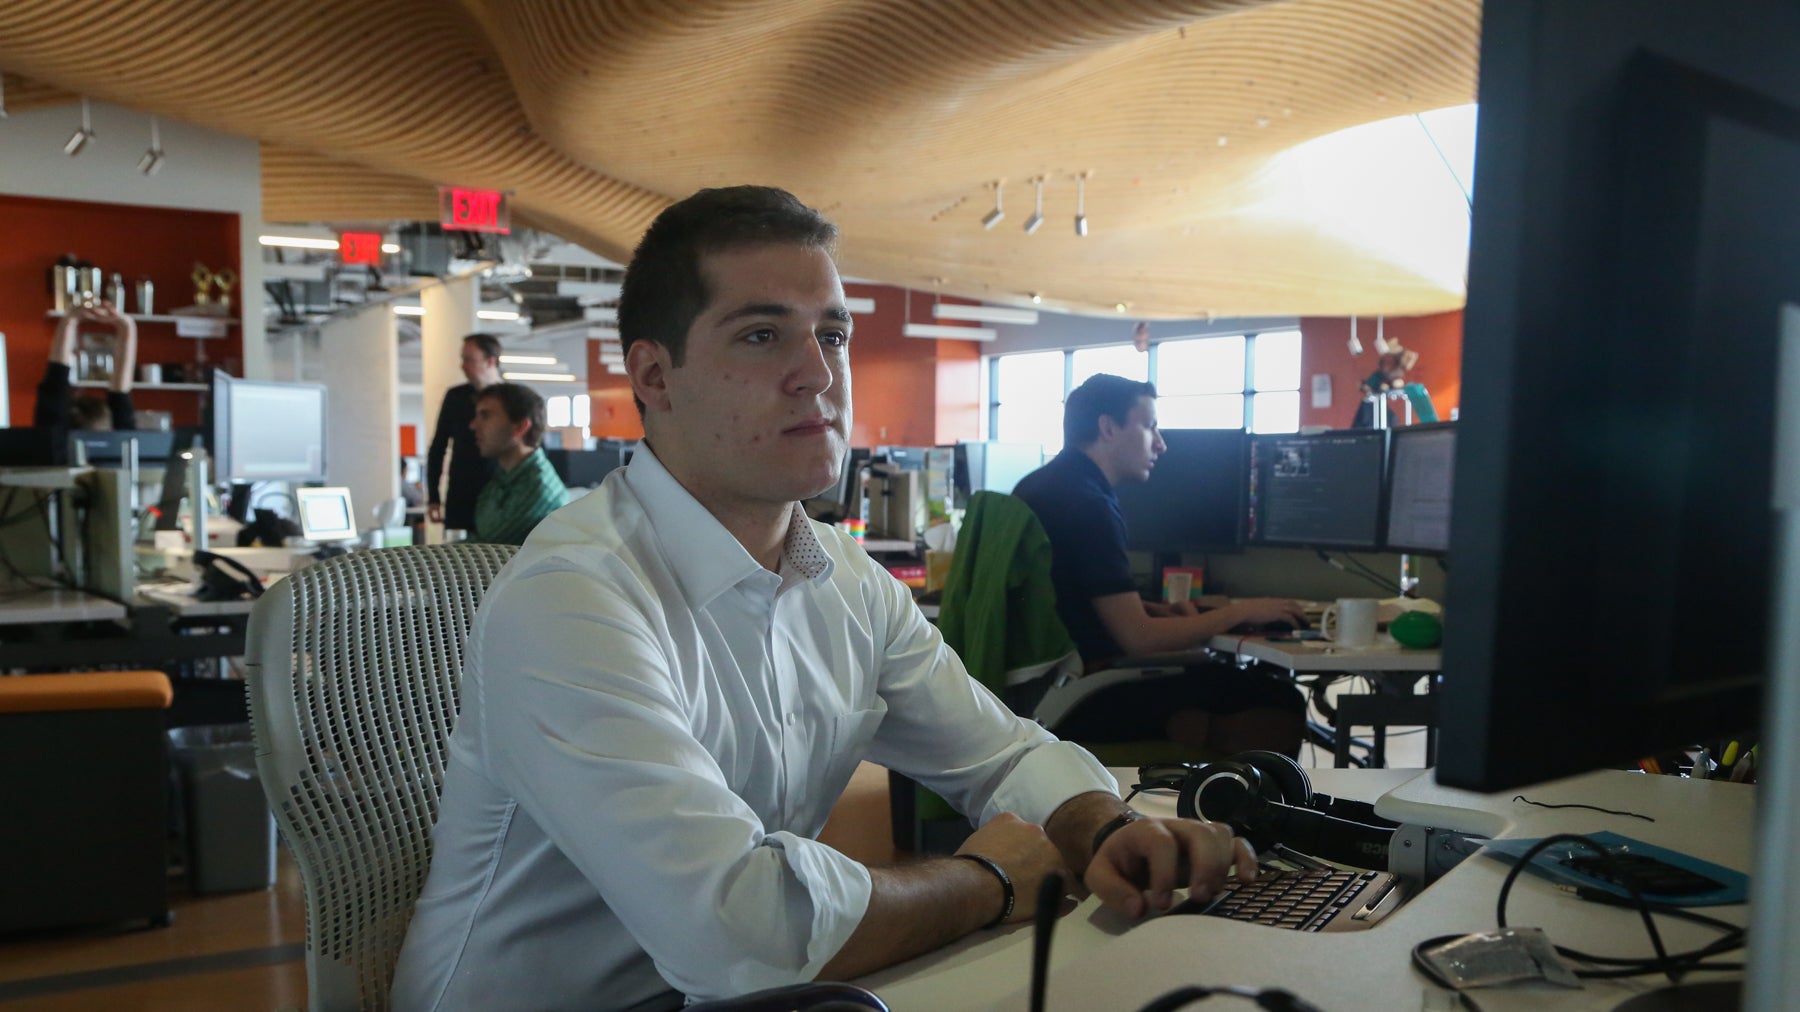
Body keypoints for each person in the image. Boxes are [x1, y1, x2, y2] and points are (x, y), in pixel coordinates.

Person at [391, 187, 1255, 1011]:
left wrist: (1104, 828)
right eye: (762, 335)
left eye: (833, 334)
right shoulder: (574, 599)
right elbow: (736, 934)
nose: (818, 373)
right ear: (654, 375)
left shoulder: (843, 579)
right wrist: (989, 880)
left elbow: (997, 755)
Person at [1011, 373, 1307, 756]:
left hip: (1039, 689)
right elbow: (1139, 638)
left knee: (1224, 680)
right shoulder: (1088, 505)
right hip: (1085, 697)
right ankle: (1231, 791)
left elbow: (1067, 599)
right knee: (1279, 698)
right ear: (1108, 428)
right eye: (1150, 426)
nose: (1161, 443)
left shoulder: (1040, 485)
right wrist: (1240, 612)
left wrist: (1157, 611)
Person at [466, 382, 568, 545]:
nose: (473, 425)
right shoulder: (505, 477)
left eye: (485, 416)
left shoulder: (537, 488)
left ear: (520, 427)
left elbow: (487, 546)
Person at [34, 303, 138, 462]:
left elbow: (56, 380)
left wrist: (69, 321)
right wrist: (126, 326)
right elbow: (120, 390)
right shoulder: (120, 450)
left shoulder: (54, 442)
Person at [423, 333, 502, 534]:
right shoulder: (455, 397)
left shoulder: (512, 399)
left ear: (490, 361)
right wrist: (433, 497)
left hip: (499, 495)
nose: (463, 366)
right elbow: (438, 447)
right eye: (463, 359)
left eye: (469, 359)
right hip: (462, 495)